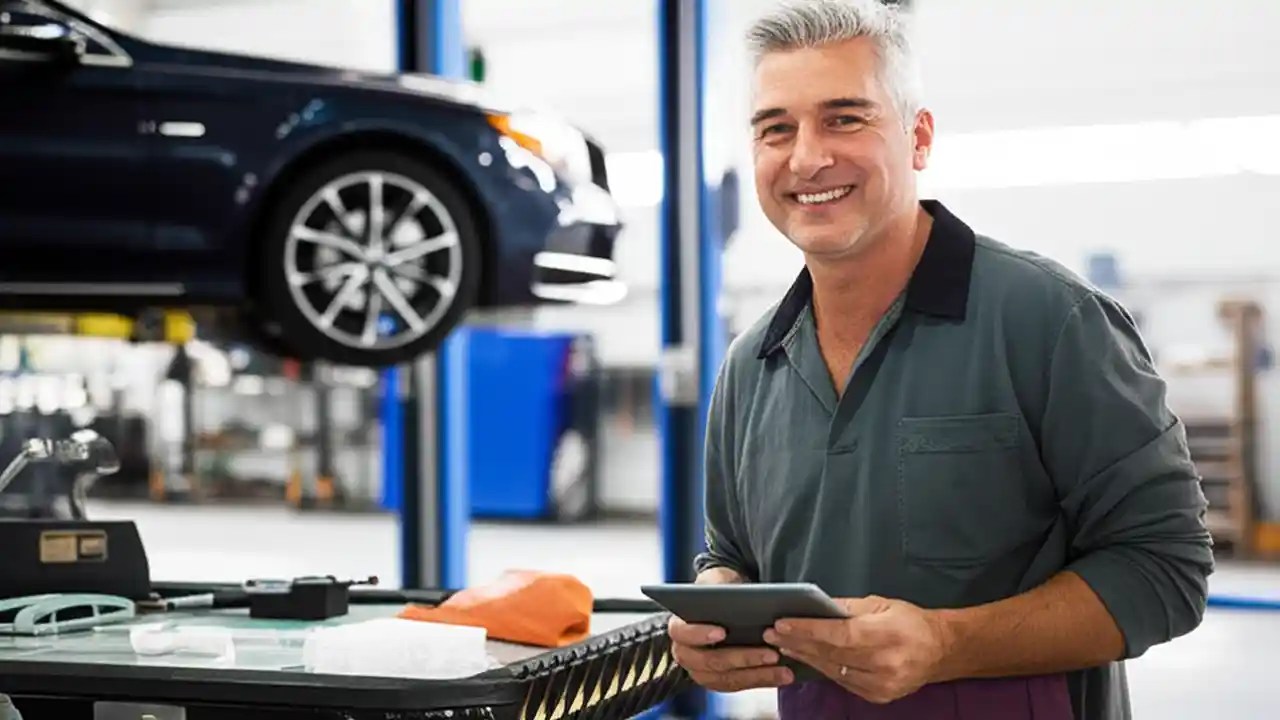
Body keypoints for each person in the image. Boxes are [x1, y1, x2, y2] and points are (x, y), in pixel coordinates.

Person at [666, 1, 1215, 718]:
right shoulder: (752, 365)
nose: (806, 157)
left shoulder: (1048, 321)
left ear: (918, 138)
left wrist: (945, 643)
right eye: (777, 129)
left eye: (845, 118)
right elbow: (730, 551)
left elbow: (1165, 570)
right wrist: (718, 605)